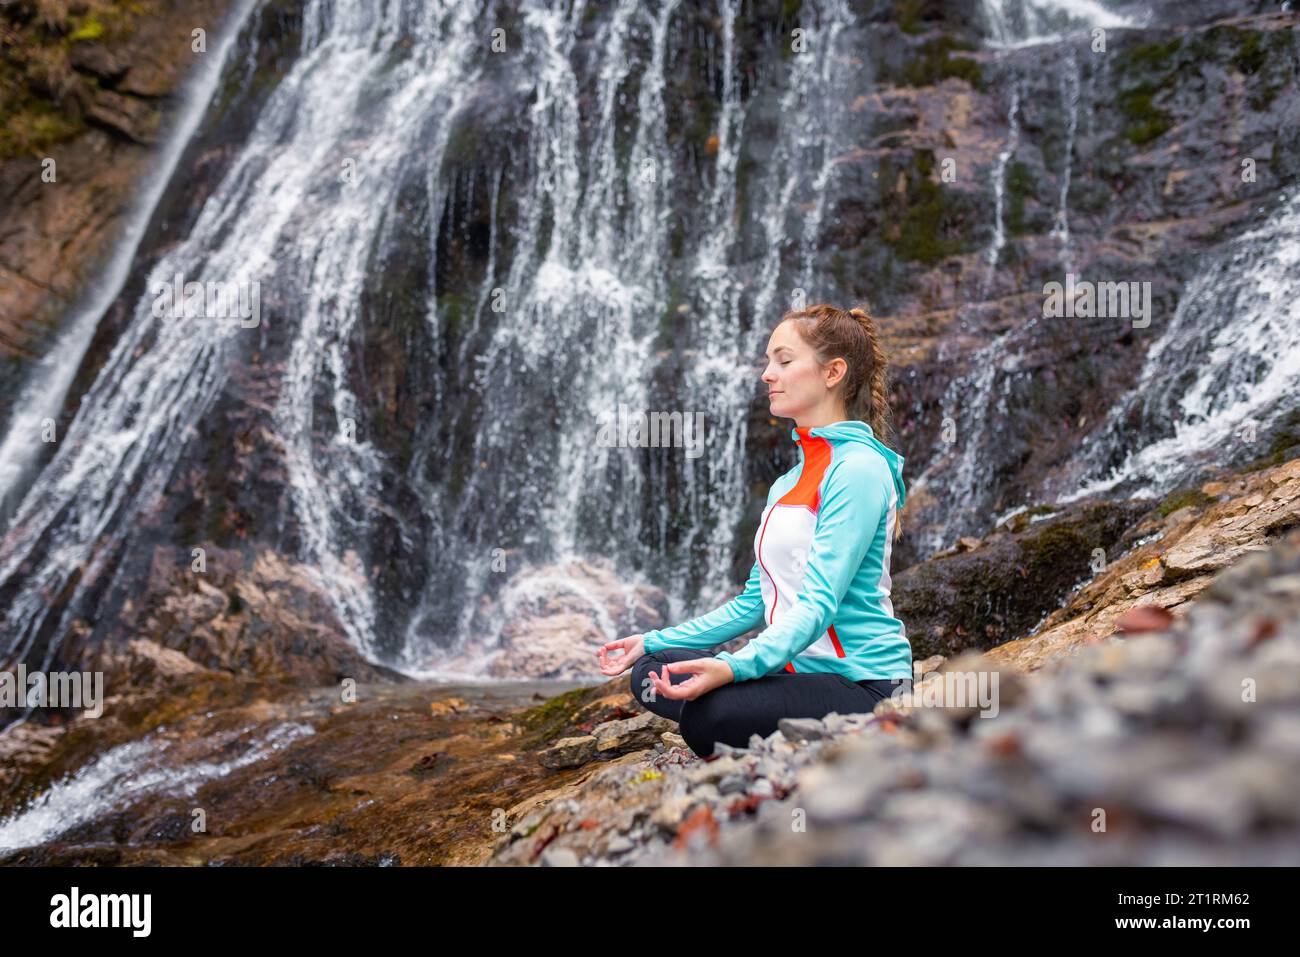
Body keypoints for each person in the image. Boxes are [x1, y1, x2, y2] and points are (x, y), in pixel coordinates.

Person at [596, 303, 913, 758]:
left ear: (833, 372)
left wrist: (733, 668)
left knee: (709, 716)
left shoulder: (858, 469)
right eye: (768, 362)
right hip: (800, 672)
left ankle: (777, 726)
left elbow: (818, 606)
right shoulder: (788, 482)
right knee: (649, 672)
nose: (767, 374)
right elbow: (754, 602)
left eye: (784, 361)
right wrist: (652, 639)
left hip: (864, 684)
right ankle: (767, 720)